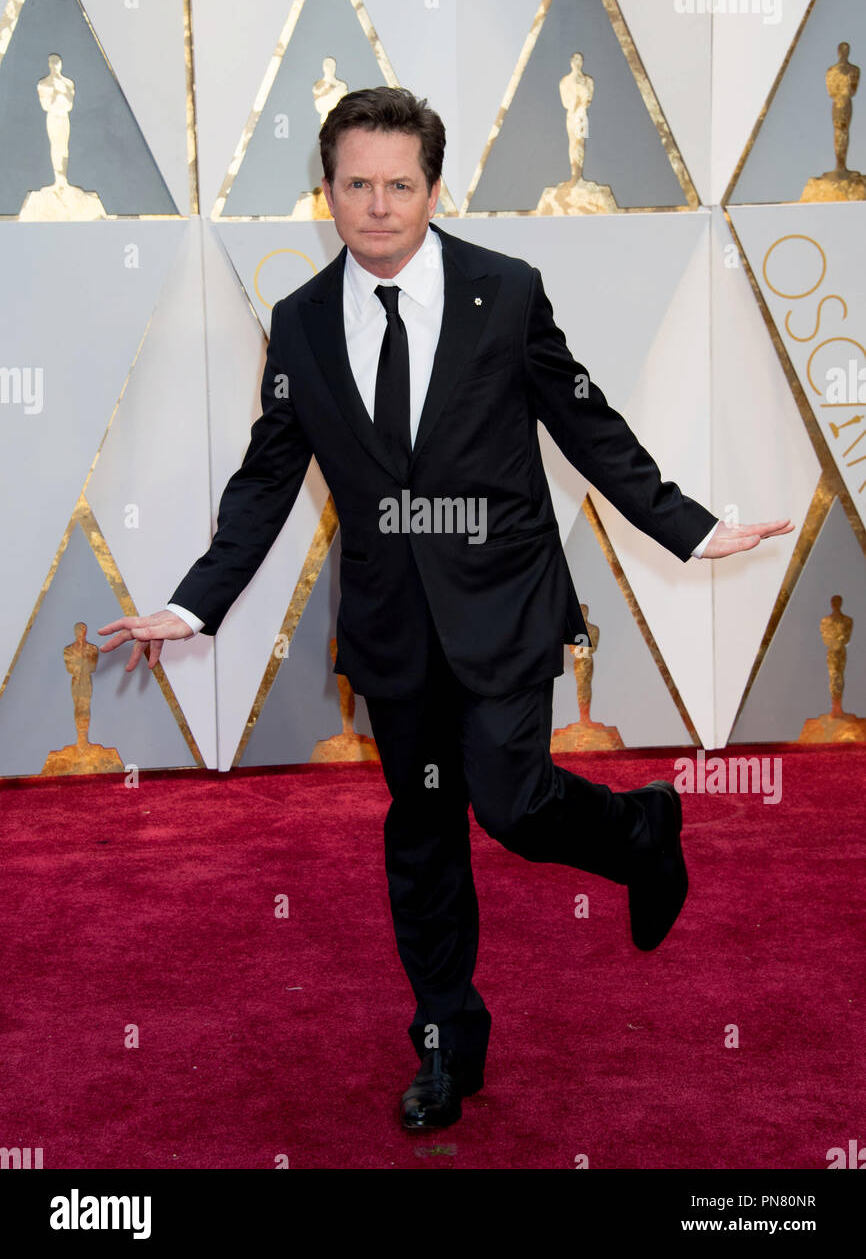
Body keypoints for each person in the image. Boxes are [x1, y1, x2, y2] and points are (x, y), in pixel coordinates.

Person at [99, 87, 792, 1130]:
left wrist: (688, 527)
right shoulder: (297, 324)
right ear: (326, 191)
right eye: (356, 185)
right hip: (391, 627)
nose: (377, 206)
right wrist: (193, 607)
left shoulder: (503, 293)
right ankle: (443, 1047)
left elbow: (585, 424)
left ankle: (640, 827)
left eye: (399, 185)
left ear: (432, 189)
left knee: (509, 806)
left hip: (502, 601)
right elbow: (264, 479)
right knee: (422, 834)